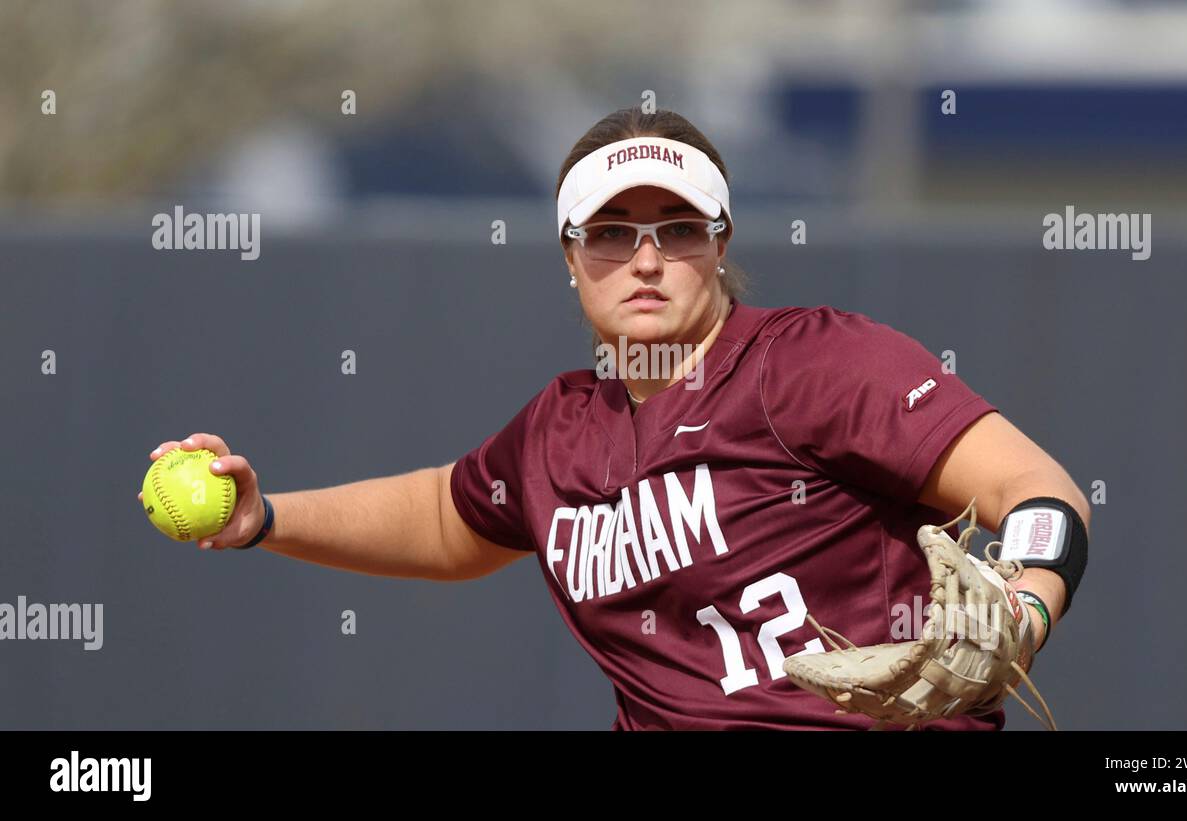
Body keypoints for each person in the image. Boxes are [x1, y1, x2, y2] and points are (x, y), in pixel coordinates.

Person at [141, 108, 1089, 730]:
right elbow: (445, 517)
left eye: (676, 228)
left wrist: (1022, 603)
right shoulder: (558, 435)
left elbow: (1038, 491)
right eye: (610, 231)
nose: (644, 258)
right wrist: (263, 518)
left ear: (719, 246)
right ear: (569, 255)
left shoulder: (813, 364)